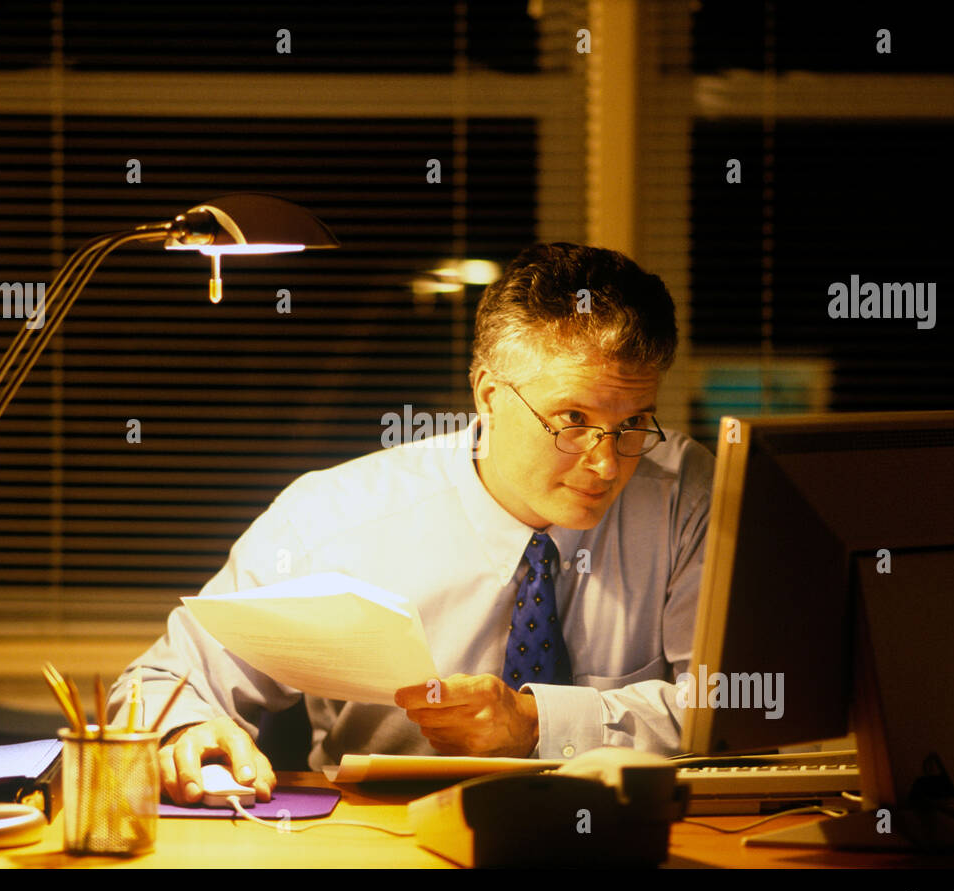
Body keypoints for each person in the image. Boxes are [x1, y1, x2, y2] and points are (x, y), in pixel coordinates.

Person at [107, 243, 714, 805]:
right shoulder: (334, 516)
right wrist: (185, 729)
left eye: (635, 422)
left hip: (623, 838)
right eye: (573, 418)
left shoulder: (682, 493)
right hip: (382, 841)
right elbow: (162, 680)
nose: (607, 461)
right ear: (488, 395)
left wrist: (539, 725)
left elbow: (730, 705)